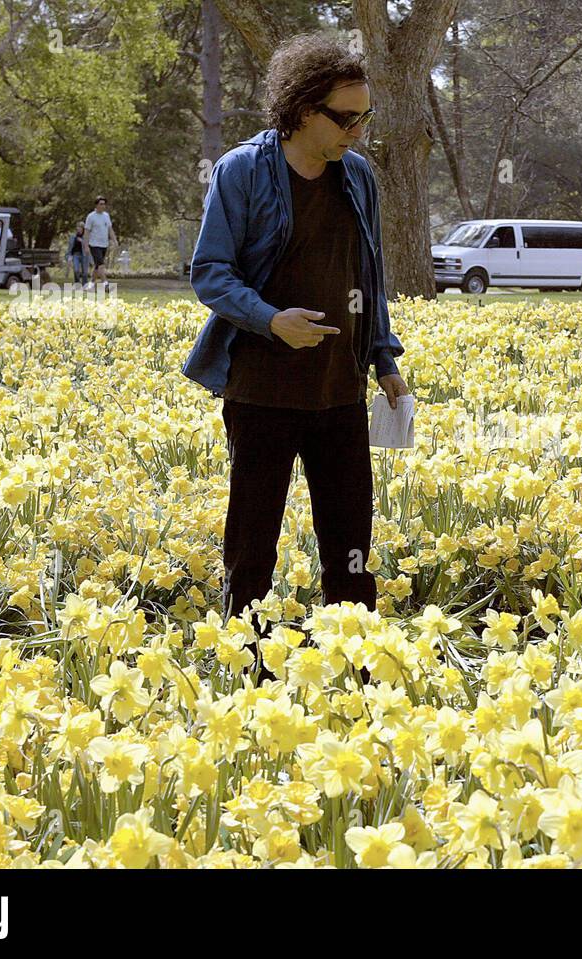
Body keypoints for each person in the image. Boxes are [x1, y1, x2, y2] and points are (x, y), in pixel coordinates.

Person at [182, 32, 409, 673]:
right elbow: (211, 273)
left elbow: (372, 275)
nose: (358, 131)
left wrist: (385, 358)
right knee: (252, 547)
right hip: (262, 394)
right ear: (304, 109)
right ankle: (246, 669)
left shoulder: (357, 177)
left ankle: (359, 673)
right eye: (346, 118)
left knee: (350, 547)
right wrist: (272, 319)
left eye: (366, 116)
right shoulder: (243, 171)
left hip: (339, 393)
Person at [83, 196, 116, 291]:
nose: (103, 206)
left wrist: (114, 240)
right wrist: (86, 246)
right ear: (96, 205)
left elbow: (110, 229)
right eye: (101, 204)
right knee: (101, 265)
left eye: (104, 204)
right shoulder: (91, 216)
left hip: (104, 244)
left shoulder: (106, 216)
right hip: (94, 244)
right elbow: (87, 232)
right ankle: (106, 284)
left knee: (97, 266)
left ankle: (91, 283)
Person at [66, 222, 91, 286]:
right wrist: (69, 256)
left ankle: (85, 285)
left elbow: (89, 245)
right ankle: (77, 284)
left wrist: (82, 241)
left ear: (83, 228)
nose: (78, 228)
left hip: (84, 255)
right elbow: (70, 247)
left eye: (80, 227)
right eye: (77, 227)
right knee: (76, 270)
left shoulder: (86, 236)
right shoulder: (73, 236)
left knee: (84, 272)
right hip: (75, 255)